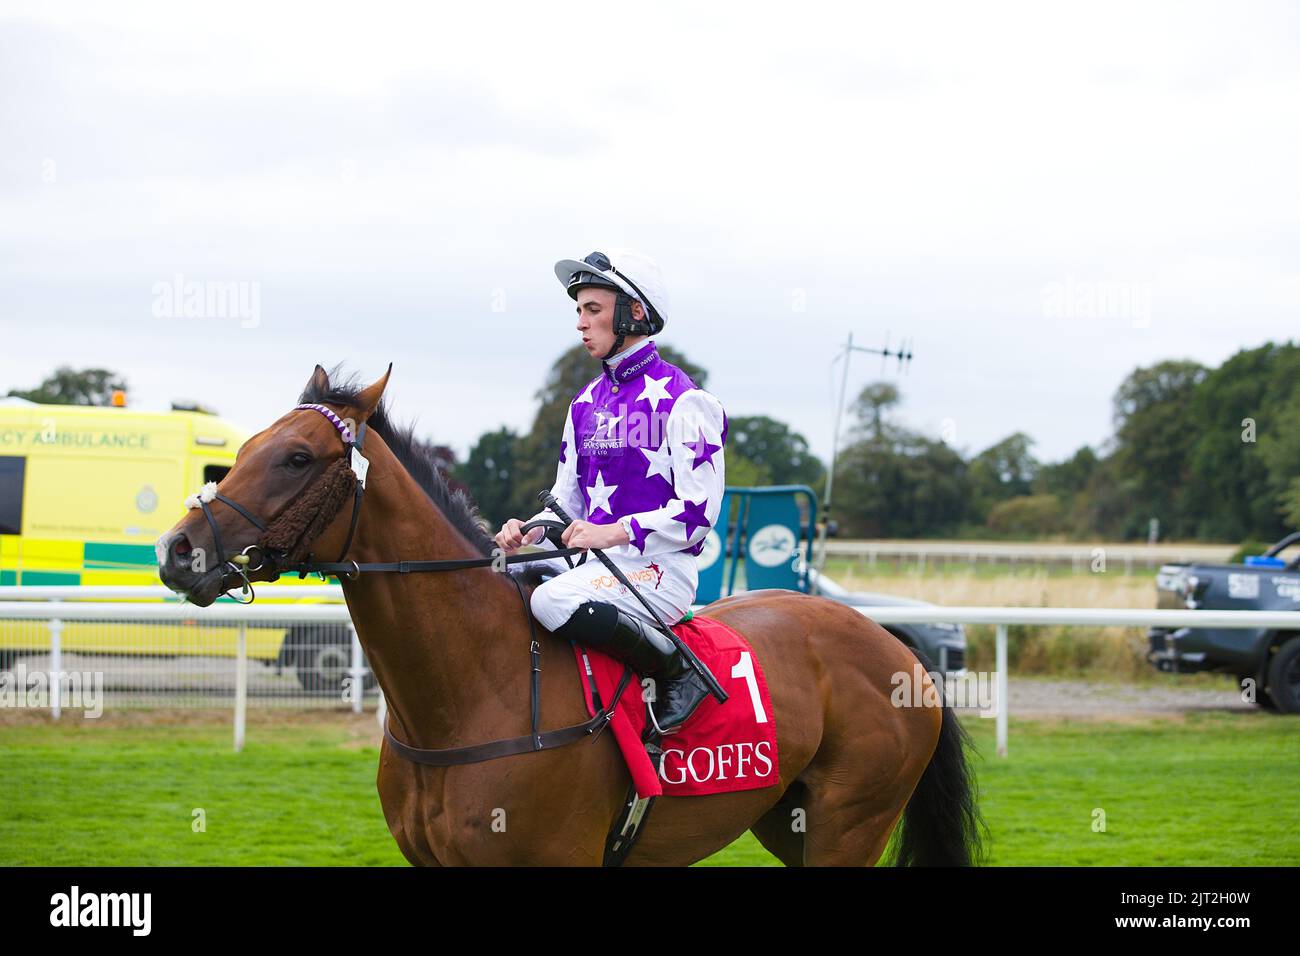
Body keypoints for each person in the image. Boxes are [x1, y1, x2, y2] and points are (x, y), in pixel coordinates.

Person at [494, 249, 728, 734]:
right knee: (493, 573)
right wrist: (529, 531)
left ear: (634, 313)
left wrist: (611, 534)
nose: (581, 323)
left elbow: (698, 515)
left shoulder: (687, 402)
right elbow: (568, 508)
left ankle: (678, 670)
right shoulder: (583, 404)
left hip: (661, 571)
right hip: (594, 565)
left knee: (548, 603)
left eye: (593, 310)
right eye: (578, 311)